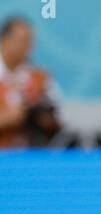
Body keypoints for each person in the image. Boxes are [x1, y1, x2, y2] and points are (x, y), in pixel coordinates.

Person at [0, 15, 61, 148]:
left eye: (30, 41)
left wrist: (38, 113)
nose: (28, 47)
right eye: (22, 41)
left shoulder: (40, 78)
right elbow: (12, 117)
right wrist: (8, 117)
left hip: (29, 157)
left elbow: (56, 123)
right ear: (5, 40)